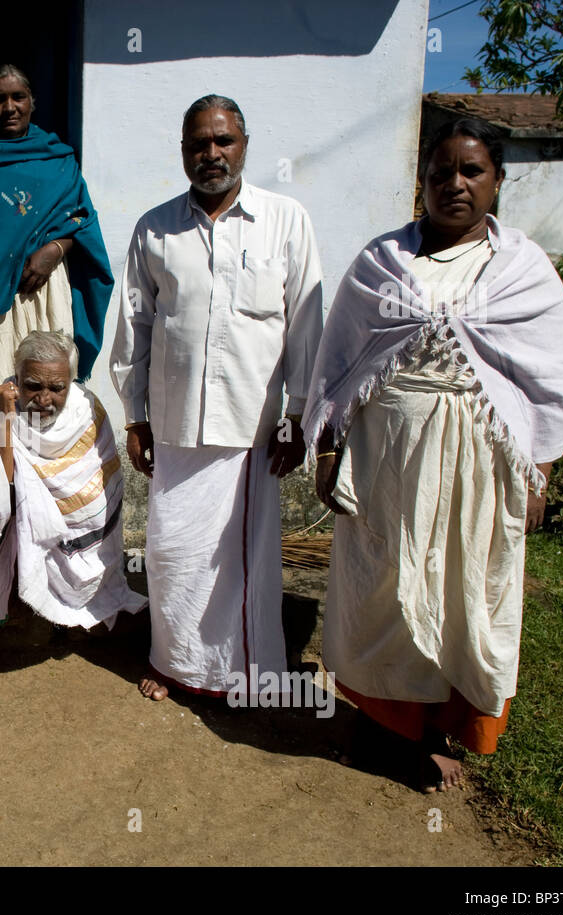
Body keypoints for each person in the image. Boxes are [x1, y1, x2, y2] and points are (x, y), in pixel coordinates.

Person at [303, 117, 563, 792]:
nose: (455, 183)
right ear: (420, 182)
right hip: (388, 457)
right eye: (440, 171)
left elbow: (544, 380)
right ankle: (380, 732)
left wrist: (539, 470)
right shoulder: (381, 265)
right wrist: (330, 447)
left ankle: (436, 730)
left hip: (481, 463)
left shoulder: (522, 272)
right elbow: (340, 364)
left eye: (472, 170)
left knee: (463, 589)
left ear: (498, 181)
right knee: (385, 590)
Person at [109, 94, 325, 702]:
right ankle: (174, 661)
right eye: (198, 143)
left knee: (241, 561)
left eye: (223, 141)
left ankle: (245, 672)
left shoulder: (286, 220)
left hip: (250, 426)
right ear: (183, 152)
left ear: (244, 145)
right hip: (174, 423)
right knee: (172, 551)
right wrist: (135, 417)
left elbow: (306, 323)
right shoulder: (155, 227)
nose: (212, 154)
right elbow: (135, 325)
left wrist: (298, 414)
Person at [0, 64, 113, 414]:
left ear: (33, 102)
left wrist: (56, 248)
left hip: (42, 292)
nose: (10, 107)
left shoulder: (58, 158)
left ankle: (43, 466)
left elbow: (81, 220)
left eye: (19, 97)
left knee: (43, 391)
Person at [0, 330, 147, 630]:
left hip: (81, 533)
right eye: (33, 386)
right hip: (16, 521)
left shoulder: (86, 407)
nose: (44, 399)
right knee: (17, 504)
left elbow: (106, 489)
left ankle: (74, 594)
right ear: (17, 379)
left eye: (57, 388)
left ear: (71, 382)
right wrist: (6, 416)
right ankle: (21, 597)